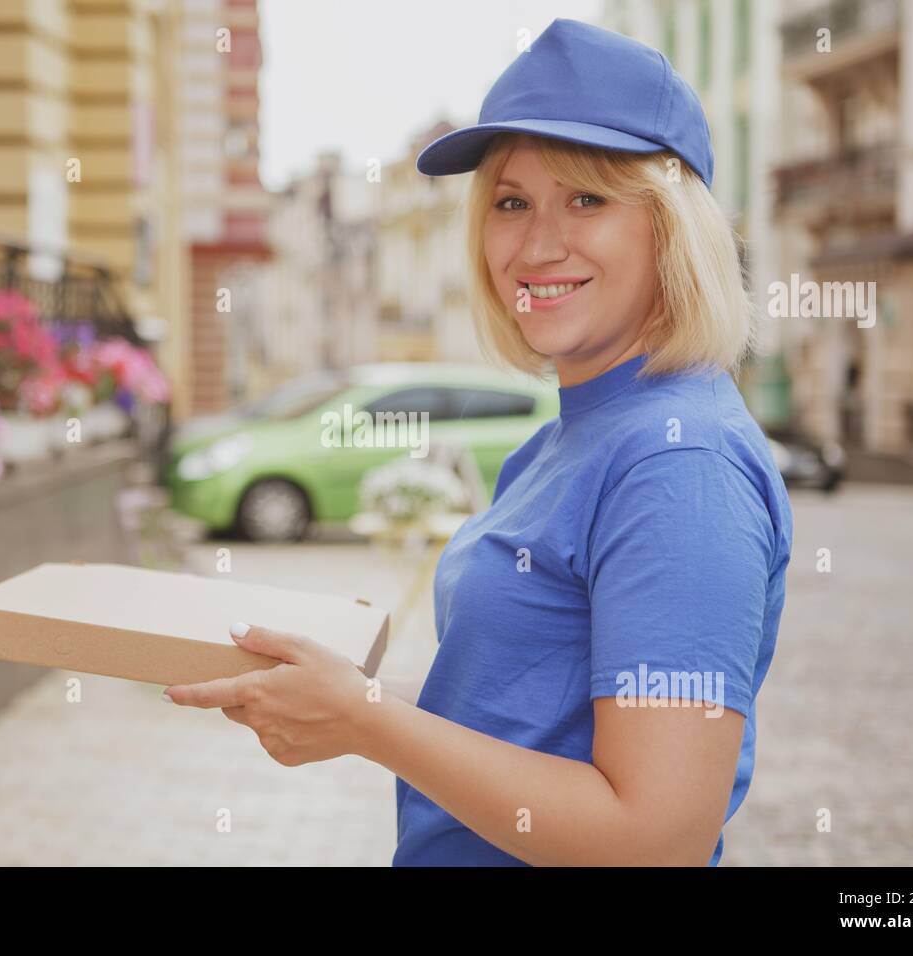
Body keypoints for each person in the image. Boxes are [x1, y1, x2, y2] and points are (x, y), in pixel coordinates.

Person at [164, 18, 793, 866]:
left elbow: (656, 838)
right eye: (510, 201)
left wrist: (366, 718)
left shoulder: (680, 465)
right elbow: (523, 714)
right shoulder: (562, 440)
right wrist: (346, 694)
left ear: (673, 227)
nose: (536, 244)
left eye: (587, 198)